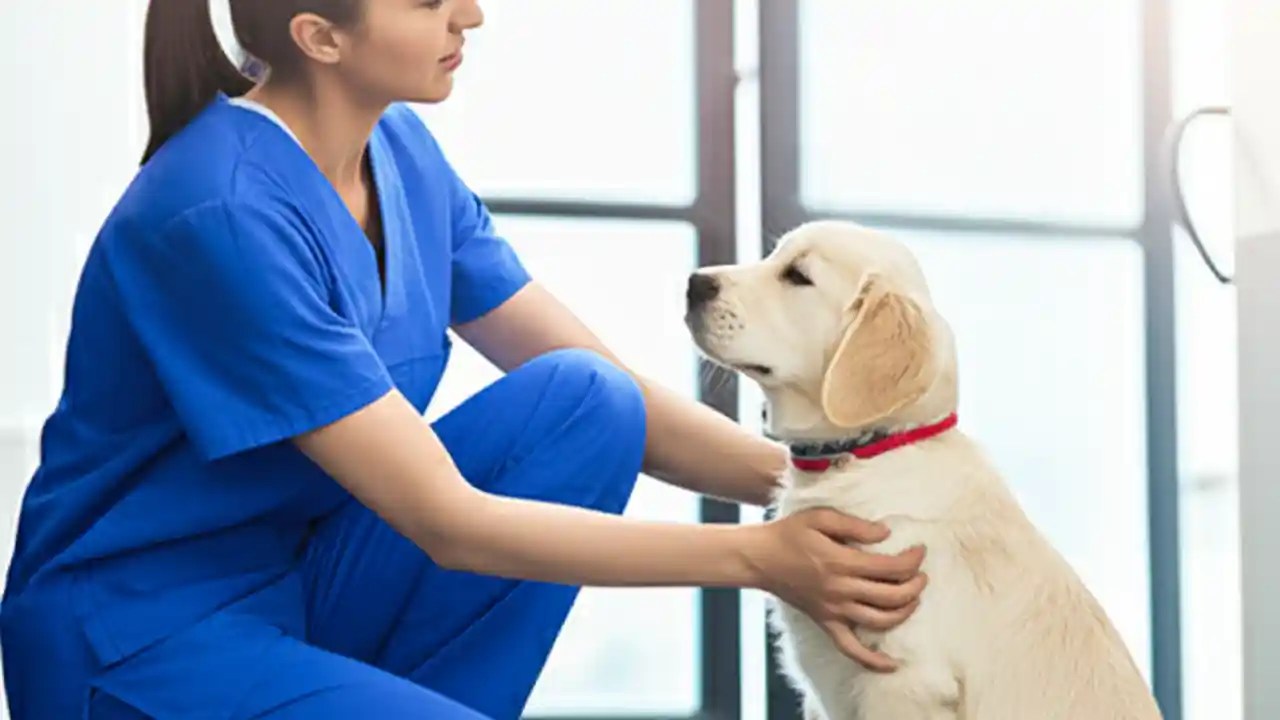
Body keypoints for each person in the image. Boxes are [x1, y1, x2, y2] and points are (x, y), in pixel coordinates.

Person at [0, 1, 927, 718]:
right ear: (322, 36)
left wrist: (864, 494)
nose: (471, 14)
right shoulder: (222, 214)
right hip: (142, 633)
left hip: (305, 579)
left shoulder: (395, 151)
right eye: (426, 1)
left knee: (585, 401)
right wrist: (763, 556)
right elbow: (448, 523)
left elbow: (617, 403)